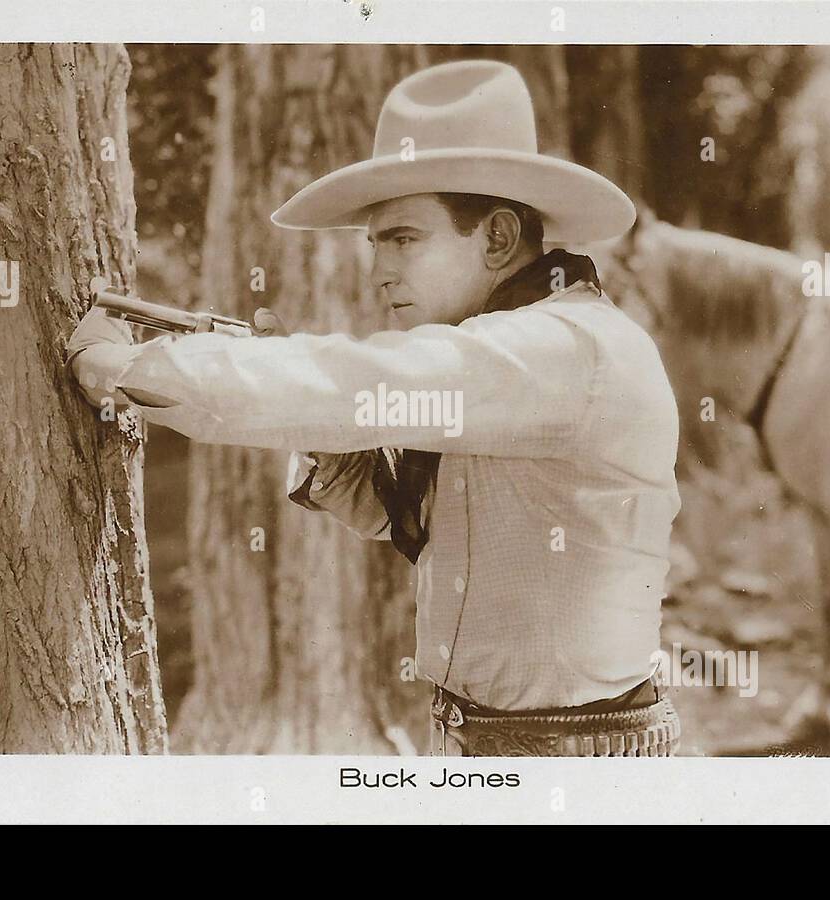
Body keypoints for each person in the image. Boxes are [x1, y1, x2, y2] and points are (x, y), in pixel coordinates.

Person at [67, 59, 682, 757]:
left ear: (500, 237)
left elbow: (351, 384)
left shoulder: (559, 347)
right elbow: (416, 518)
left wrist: (118, 365)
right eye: (375, 244)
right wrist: (314, 417)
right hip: (487, 738)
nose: (379, 269)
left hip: (572, 755)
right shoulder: (504, 354)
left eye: (403, 239)